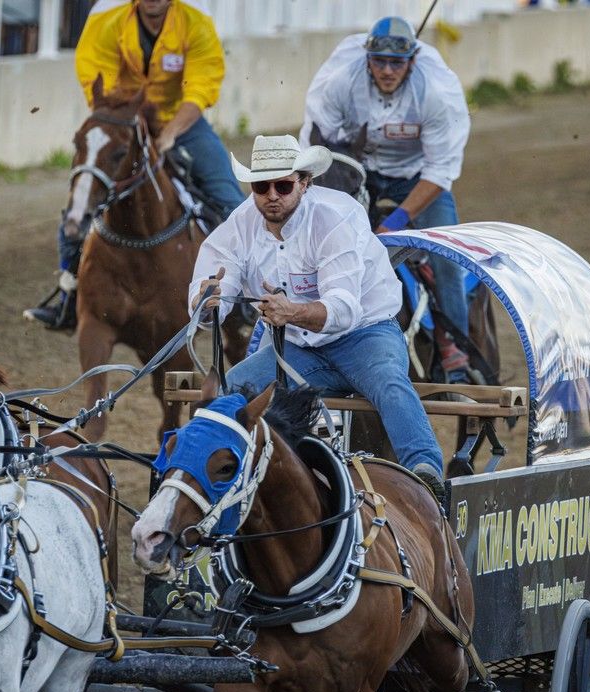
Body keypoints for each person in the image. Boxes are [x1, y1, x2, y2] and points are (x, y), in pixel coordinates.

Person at [190, 134, 446, 498]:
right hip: (299, 349)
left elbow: (343, 310)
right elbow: (217, 277)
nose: (272, 195)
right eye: (262, 186)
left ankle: (426, 475)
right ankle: (217, 481)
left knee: (389, 382)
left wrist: (290, 312)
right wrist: (207, 301)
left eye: (283, 184)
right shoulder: (240, 223)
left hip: (366, 334)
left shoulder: (335, 218)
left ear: (305, 183)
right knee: (232, 390)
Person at [25, 0, 245, 330]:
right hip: (123, 122)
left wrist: (169, 133)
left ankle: (244, 298)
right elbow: (96, 78)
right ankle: (68, 295)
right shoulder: (106, 20)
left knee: (232, 202)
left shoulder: (195, 22)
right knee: (83, 195)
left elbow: (202, 86)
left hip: (180, 124)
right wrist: (127, 124)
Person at [299, 16, 473, 383]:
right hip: (359, 168)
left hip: (418, 176)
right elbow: (315, 148)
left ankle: (455, 346)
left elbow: (440, 172)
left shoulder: (437, 93)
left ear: (412, 60)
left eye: (397, 62)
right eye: (379, 61)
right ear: (367, 59)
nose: (388, 70)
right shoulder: (339, 82)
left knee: (447, 254)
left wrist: (393, 223)